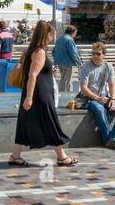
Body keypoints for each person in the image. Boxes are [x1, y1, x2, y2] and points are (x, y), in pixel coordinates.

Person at [11, 19, 75, 166]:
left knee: (24, 123)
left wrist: (48, 70)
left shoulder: (33, 50)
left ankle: (15, 155)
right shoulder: (39, 51)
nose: (53, 38)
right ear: (47, 34)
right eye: (52, 34)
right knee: (50, 122)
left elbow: (36, 72)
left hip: (34, 93)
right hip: (39, 95)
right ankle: (62, 156)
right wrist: (29, 98)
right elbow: (33, 75)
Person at [79, 42, 115, 149]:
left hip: (104, 97)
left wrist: (113, 99)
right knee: (99, 109)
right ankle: (108, 140)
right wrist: (97, 98)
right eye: (93, 53)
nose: (95, 56)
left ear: (104, 55)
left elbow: (112, 84)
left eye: (98, 54)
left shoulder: (108, 66)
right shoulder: (86, 67)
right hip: (90, 98)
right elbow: (83, 88)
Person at [53, 24, 81, 97]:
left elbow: (54, 51)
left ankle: (70, 96)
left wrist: (56, 61)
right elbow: (73, 53)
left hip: (59, 63)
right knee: (65, 82)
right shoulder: (69, 39)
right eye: (75, 33)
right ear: (72, 32)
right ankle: (62, 96)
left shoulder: (59, 38)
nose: (75, 35)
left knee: (67, 81)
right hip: (67, 63)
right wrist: (80, 63)